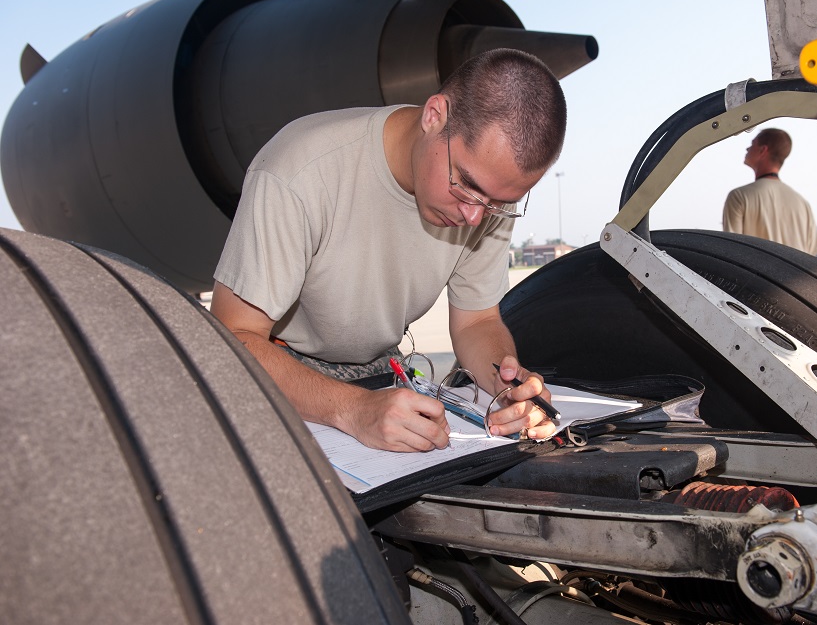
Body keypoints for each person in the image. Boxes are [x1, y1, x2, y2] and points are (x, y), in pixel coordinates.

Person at [210, 49, 566, 452]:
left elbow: (476, 322)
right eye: (468, 187)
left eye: (498, 205)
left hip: (381, 369)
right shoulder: (300, 170)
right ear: (434, 116)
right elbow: (233, 338)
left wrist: (507, 385)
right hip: (278, 370)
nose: (474, 217)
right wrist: (354, 409)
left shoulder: (485, 198)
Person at [722, 128, 817, 255]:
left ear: (763, 150)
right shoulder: (803, 204)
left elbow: (731, 250)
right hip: (797, 275)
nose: (747, 149)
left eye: (752, 144)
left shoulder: (739, 197)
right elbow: (812, 254)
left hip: (753, 275)